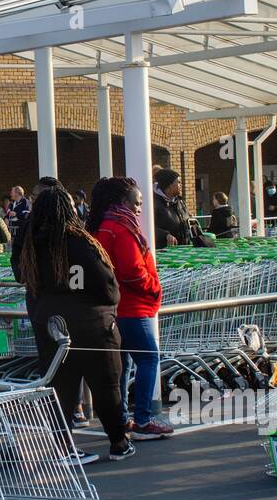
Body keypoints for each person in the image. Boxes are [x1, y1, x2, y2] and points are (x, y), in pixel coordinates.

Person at [17, 186, 133, 462]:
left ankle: (65, 448)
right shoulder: (82, 242)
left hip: (50, 325)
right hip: (92, 325)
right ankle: (118, 442)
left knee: (60, 390)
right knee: (106, 386)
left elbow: (23, 277)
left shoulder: (32, 245)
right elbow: (107, 286)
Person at [89, 177, 171, 441]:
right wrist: (153, 288)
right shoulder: (122, 229)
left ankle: (123, 418)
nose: (139, 208)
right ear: (121, 202)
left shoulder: (103, 227)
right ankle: (144, 420)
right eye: (136, 203)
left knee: (122, 365)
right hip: (134, 307)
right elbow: (133, 271)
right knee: (148, 358)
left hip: (115, 307)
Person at [153, 168, 192, 249]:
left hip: (183, 249)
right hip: (165, 252)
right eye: (178, 182)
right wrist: (165, 235)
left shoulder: (180, 201)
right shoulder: (153, 203)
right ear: (169, 185)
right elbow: (148, 226)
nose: (181, 185)